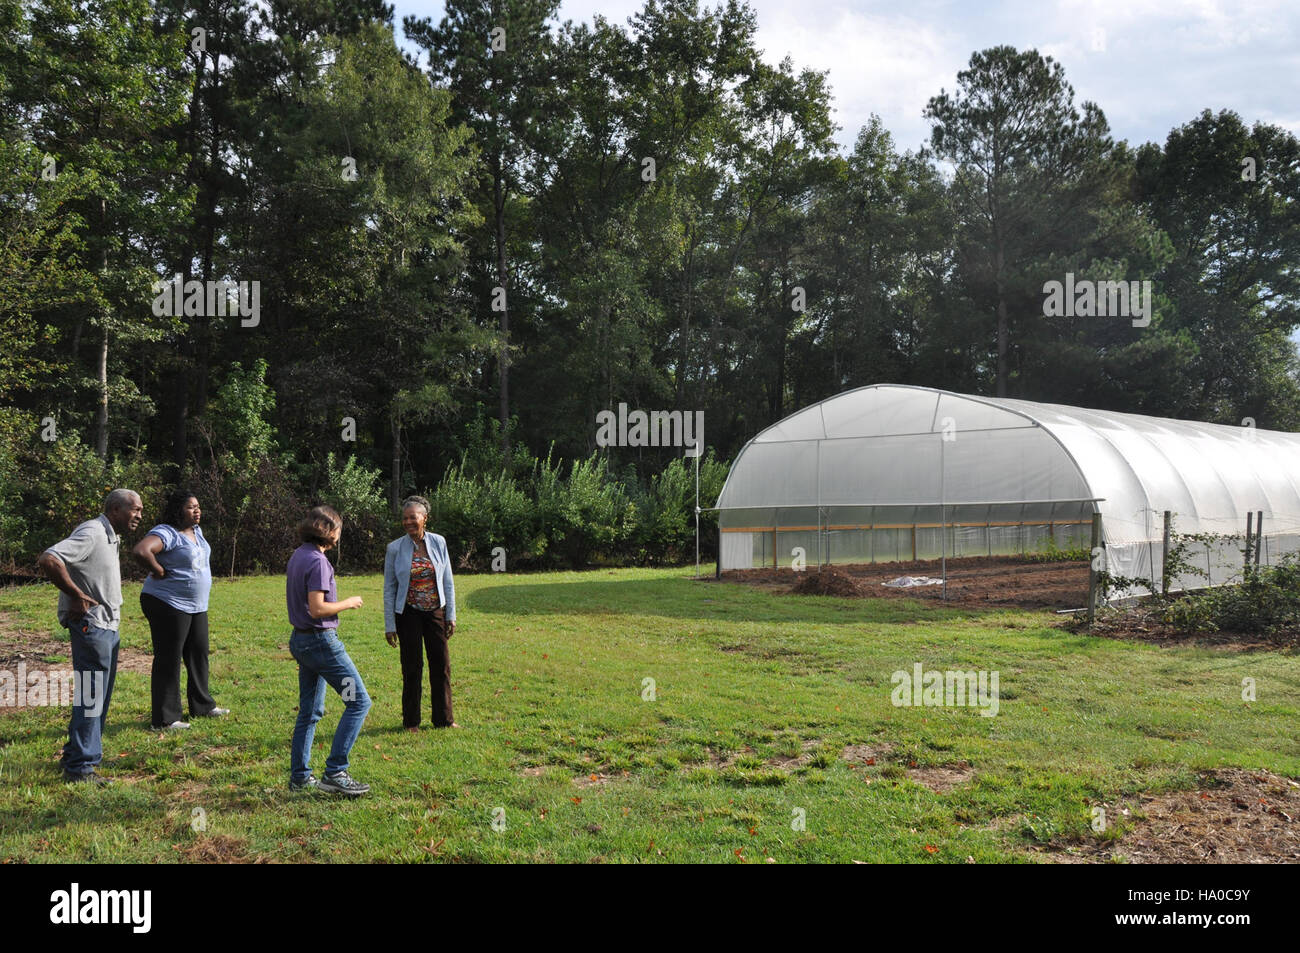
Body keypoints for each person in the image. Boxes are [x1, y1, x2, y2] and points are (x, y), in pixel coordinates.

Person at [36, 488, 143, 785]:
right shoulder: (93, 532)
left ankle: (76, 755)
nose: (139, 516)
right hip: (91, 627)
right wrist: (75, 594)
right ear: (115, 509)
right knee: (91, 698)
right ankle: (81, 768)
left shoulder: (110, 536)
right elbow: (49, 559)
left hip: (106, 627)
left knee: (97, 698)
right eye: (135, 509)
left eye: (140, 510)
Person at [286, 505, 371, 795]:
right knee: (358, 702)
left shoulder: (299, 555)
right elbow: (317, 608)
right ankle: (335, 771)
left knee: (310, 711)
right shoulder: (319, 562)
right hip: (321, 644)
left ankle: (300, 777)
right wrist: (349, 602)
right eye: (339, 530)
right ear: (330, 531)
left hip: (302, 642)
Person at [132, 489, 228, 731]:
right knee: (169, 658)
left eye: (198, 506)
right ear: (178, 511)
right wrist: (158, 570)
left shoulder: (196, 531)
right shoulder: (167, 532)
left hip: (196, 606)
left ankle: (202, 706)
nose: (197, 511)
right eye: (191, 507)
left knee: (198, 653)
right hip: (167, 602)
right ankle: (165, 719)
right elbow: (142, 551)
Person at [383, 495, 458, 730]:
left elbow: (448, 581)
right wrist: (390, 625)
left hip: (436, 612)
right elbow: (389, 588)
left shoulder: (439, 542)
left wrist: (451, 615)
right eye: (404, 518)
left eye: (413, 518)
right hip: (408, 614)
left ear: (424, 518)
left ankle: (444, 720)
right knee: (412, 668)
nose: (408, 522)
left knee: (441, 666)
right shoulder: (394, 548)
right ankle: (411, 722)